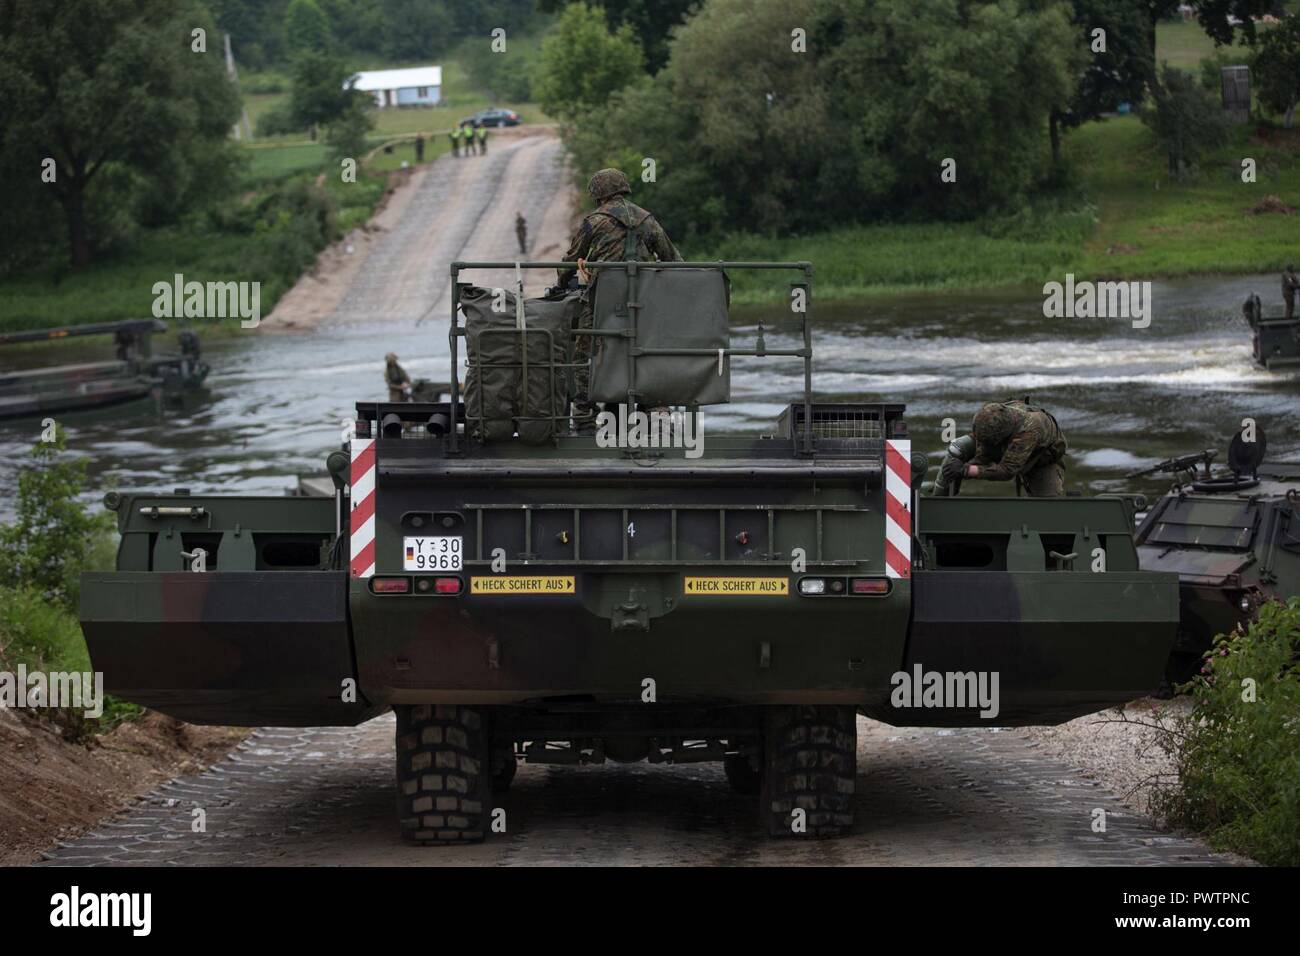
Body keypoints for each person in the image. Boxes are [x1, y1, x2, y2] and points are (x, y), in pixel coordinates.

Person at [558, 168, 681, 430]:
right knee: (648, 350)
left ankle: (584, 417)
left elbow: (570, 261)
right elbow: (673, 260)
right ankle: (657, 411)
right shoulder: (647, 219)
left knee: (582, 353)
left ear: (598, 195)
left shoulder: (594, 221)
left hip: (602, 302)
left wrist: (562, 282)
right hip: (644, 303)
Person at [941, 399, 1068, 497]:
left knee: (1046, 507)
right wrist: (959, 467)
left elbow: (1007, 471)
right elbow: (983, 454)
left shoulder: (1028, 430)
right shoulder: (989, 418)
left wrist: (966, 470)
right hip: (1006, 442)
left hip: (1041, 457)